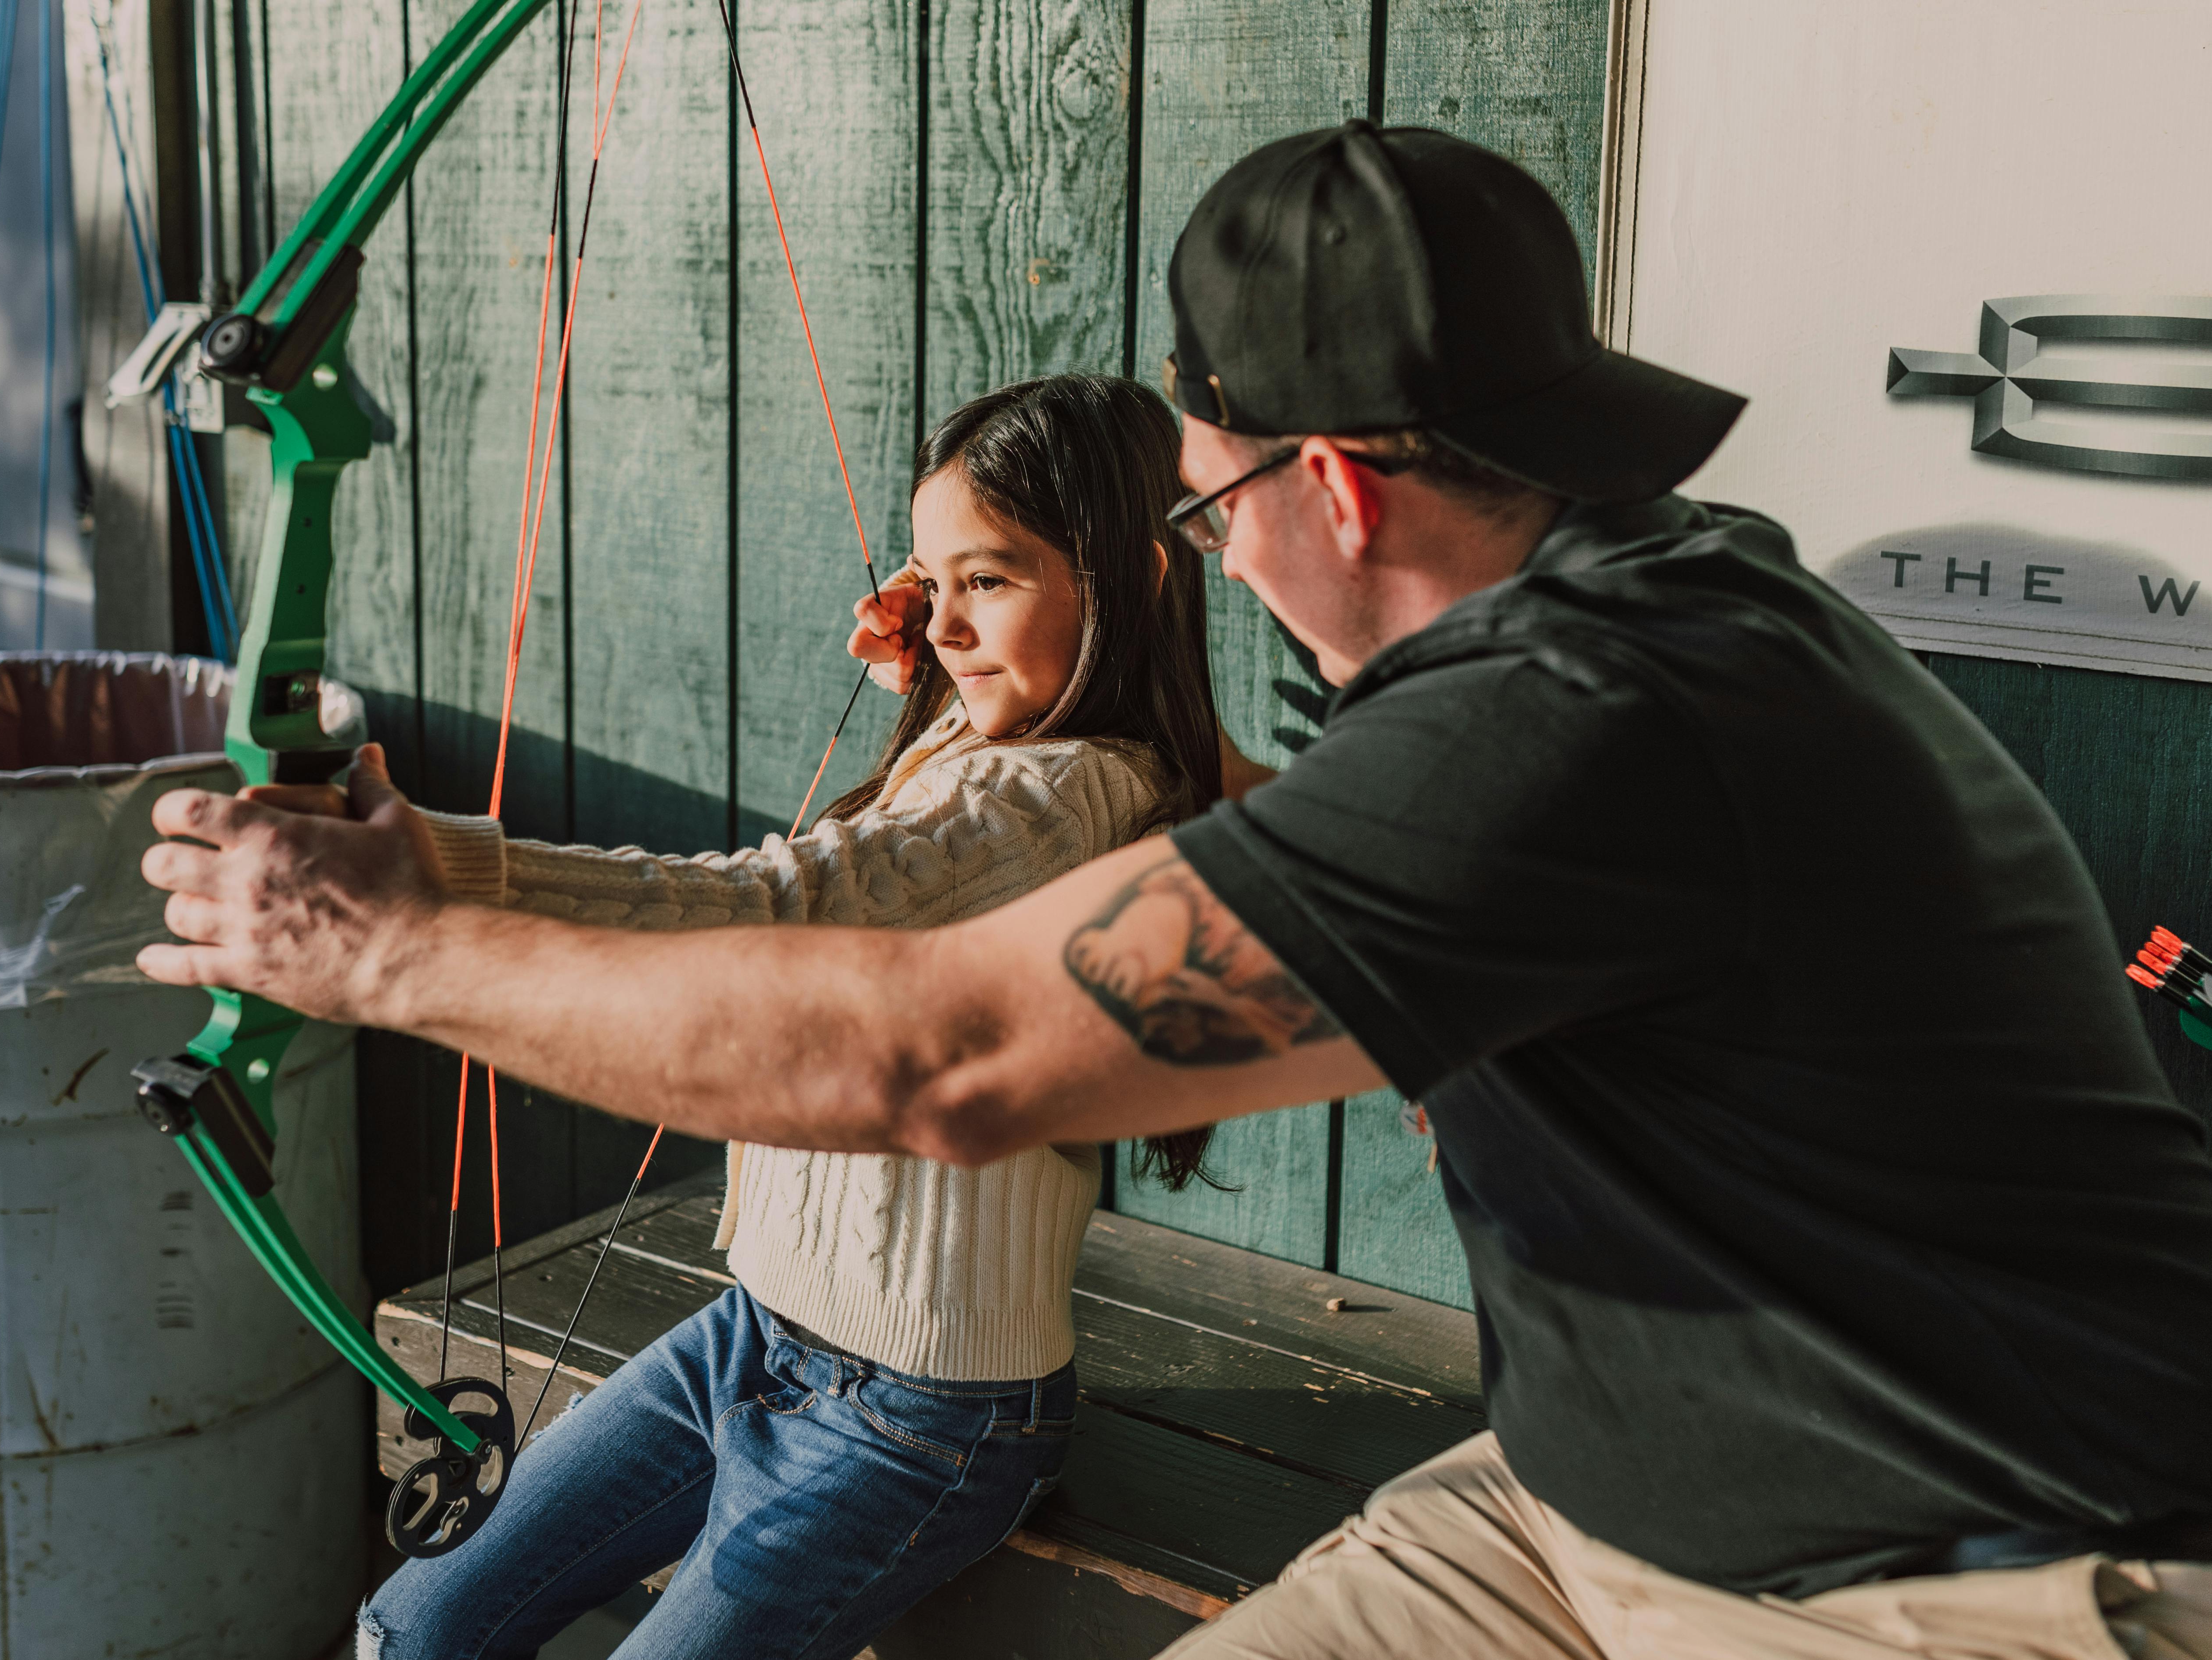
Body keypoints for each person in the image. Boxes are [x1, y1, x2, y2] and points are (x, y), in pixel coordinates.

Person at [142, 125, 2212, 1660]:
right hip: (1582, 1500)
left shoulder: (1568, 722)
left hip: (1963, 1572)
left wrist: (382, 941)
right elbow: (1315, 843)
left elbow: (940, 1057)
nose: (1210, 563)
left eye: (1209, 514)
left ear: (1334, 486)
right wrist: (963, 687)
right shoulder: (1661, 592)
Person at [323, 374, 1237, 1660]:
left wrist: (440, 873)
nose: (945, 622)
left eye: (990, 579)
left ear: (1135, 583)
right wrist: (956, 633)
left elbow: (794, 899)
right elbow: (996, 769)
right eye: (929, 580)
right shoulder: (991, 741)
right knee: (411, 1630)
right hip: (751, 1339)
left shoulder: (1066, 798)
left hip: (924, 1419)